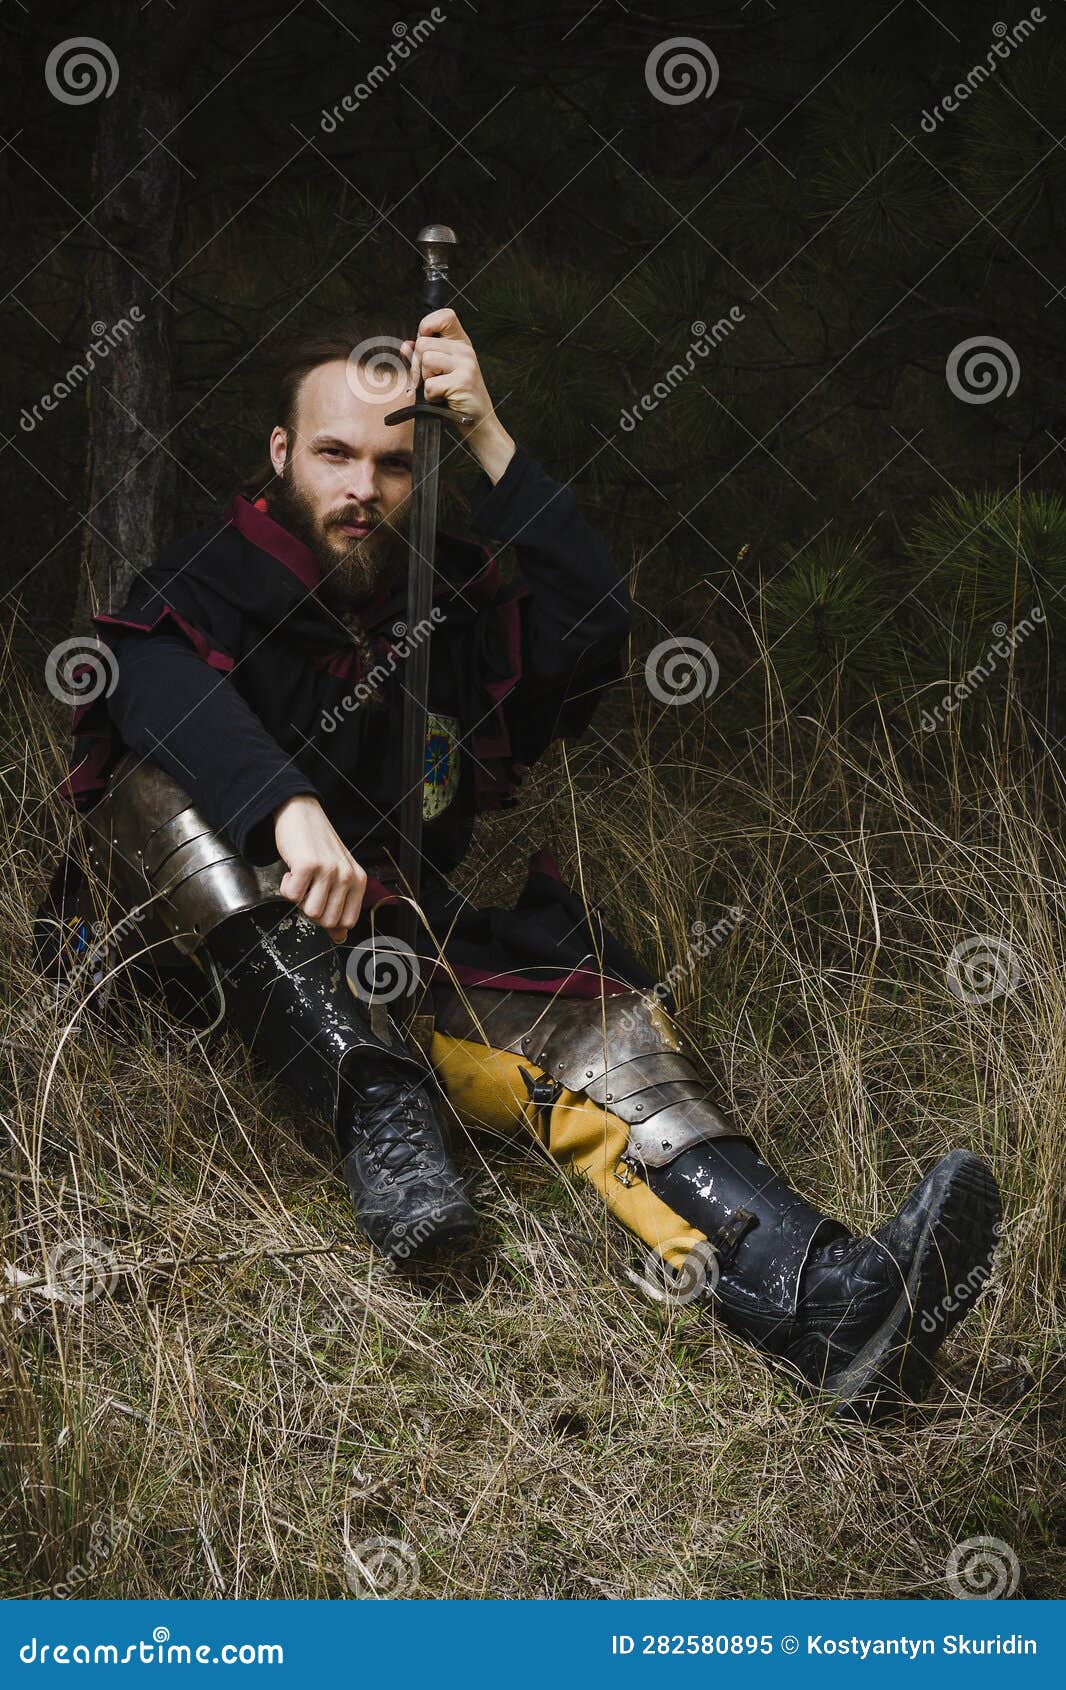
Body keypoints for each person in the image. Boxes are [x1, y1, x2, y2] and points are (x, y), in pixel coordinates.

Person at [41, 310, 1001, 1417]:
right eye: (334, 454)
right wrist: (290, 814)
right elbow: (146, 686)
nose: (362, 488)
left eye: (396, 463)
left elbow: (589, 623)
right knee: (163, 794)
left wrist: (489, 431)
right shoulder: (209, 580)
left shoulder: (433, 604)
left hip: (390, 954)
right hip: (198, 980)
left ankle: (821, 1302)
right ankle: (380, 1118)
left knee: (601, 1029)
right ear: (279, 456)